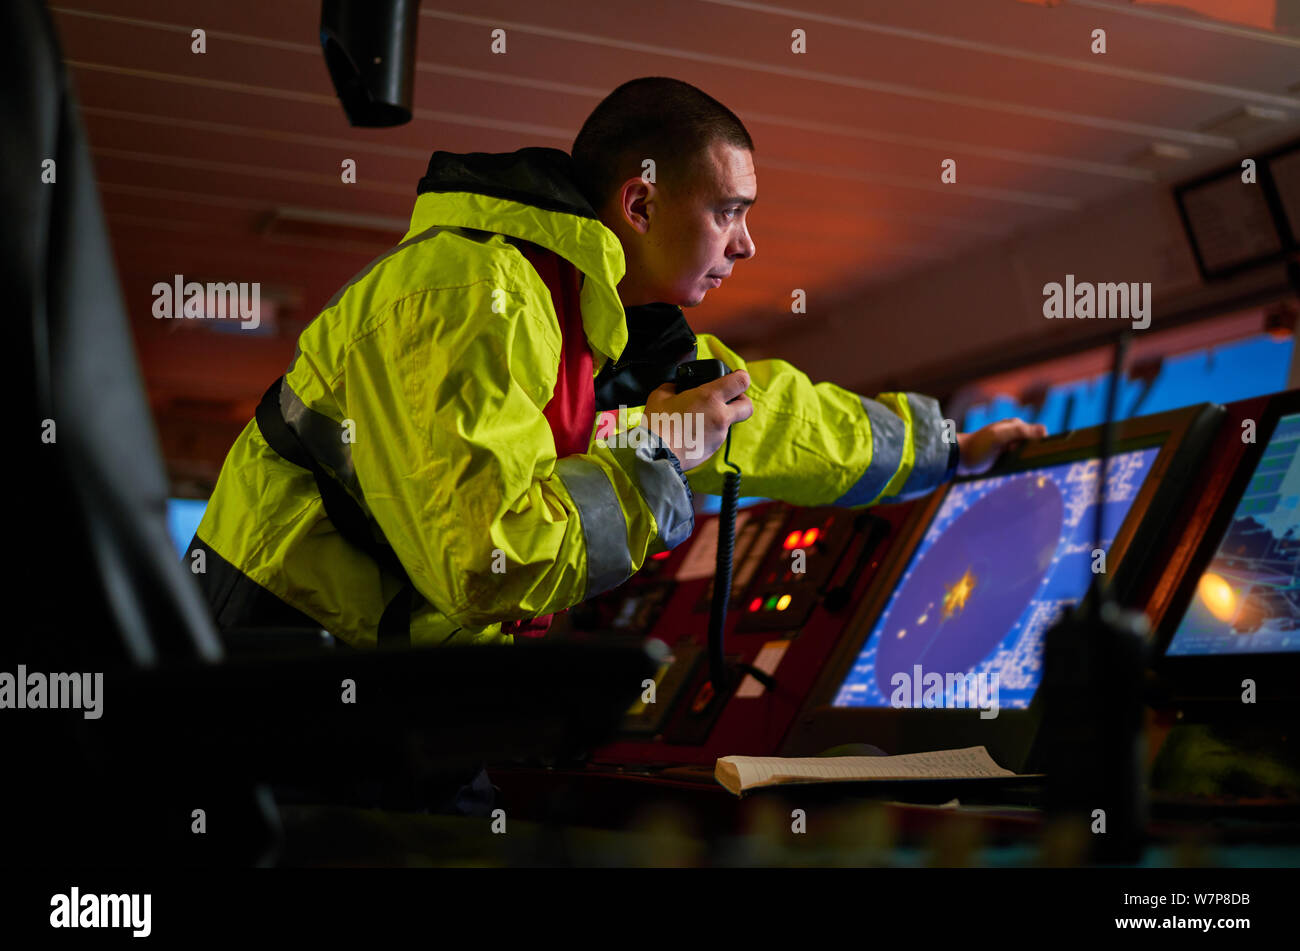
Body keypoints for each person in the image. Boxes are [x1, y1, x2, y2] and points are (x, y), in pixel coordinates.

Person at [187, 76, 1045, 649]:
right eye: (730, 212)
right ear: (639, 200)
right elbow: (493, 561)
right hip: (284, 687)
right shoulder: (469, 294)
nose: (747, 244)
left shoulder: (602, 323)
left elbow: (771, 416)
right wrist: (662, 451)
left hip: (396, 679)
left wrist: (948, 450)